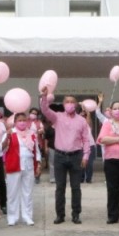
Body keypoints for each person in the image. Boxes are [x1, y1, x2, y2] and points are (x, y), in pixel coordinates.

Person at [40, 86, 93, 224]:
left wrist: (86, 156)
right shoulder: (57, 117)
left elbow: (86, 139)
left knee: (76, 187)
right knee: (60, 187)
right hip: (60, 156)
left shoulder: (81, 120)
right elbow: (45, 110)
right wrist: (44, 97)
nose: (69, 104)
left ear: (75, 105)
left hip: (76, 156)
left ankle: (76, 214)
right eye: (67, 101)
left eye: (72, 101)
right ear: (63, 104)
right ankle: (60, 215)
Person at [2, 112, 42, 225]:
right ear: (15, 122)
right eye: (19, 120)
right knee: (12, 193)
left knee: (27, 192)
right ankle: (12, 217)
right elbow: (2, 149)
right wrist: (7, 138)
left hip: (28, 165)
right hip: (14, 165)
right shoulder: (11, 133)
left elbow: (37, 151)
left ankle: (27, 216)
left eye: (24, 120)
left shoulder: (32, 134)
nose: (22, 122)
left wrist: (38, 164)